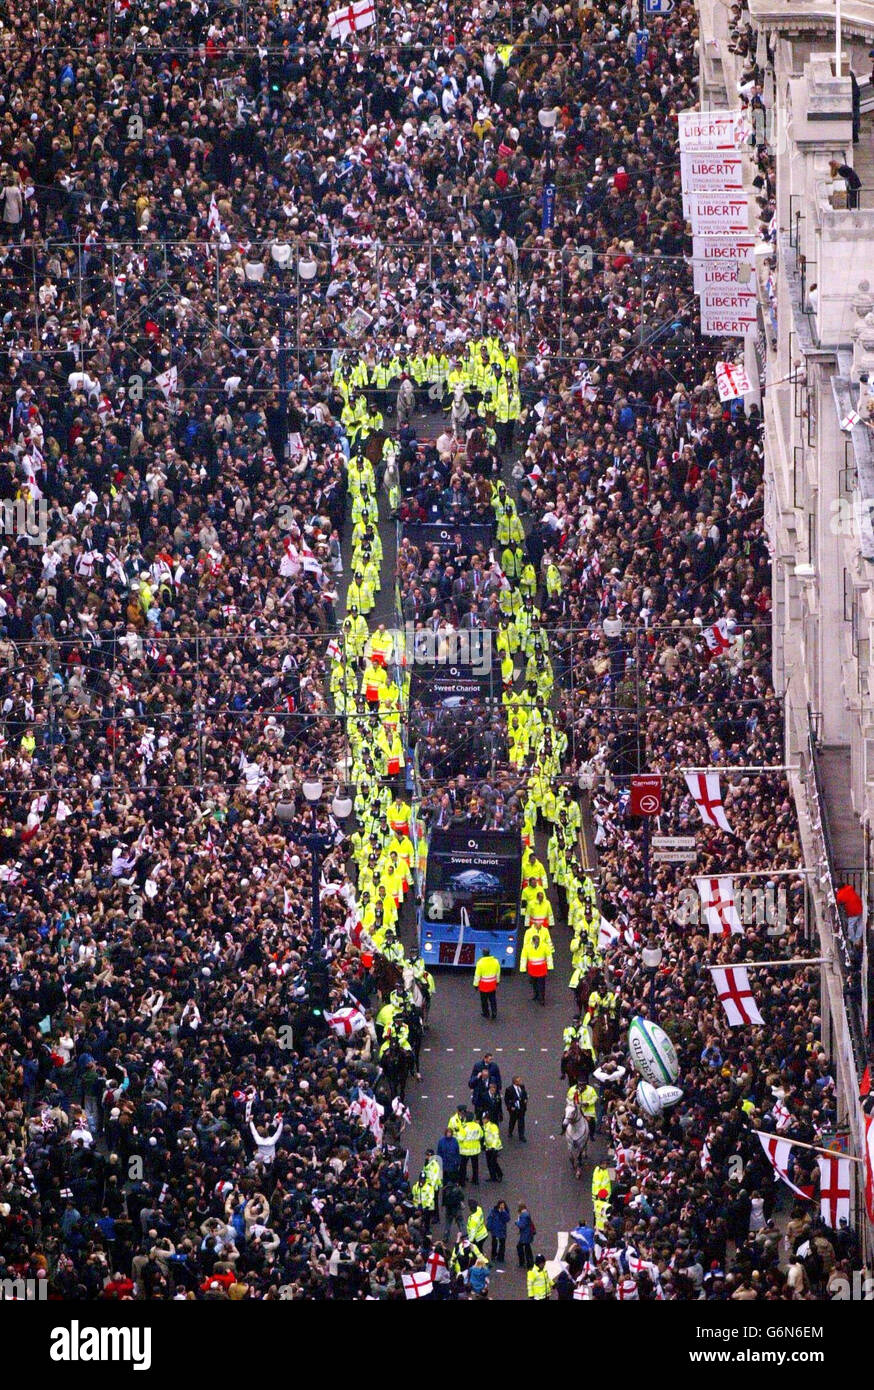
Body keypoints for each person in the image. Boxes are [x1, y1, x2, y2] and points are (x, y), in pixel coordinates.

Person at [519, 924, 554, 1005]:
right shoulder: (527, 947)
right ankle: (536, 995)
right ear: (533, 941)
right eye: (536, 941)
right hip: (532, 969)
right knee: (534, 983)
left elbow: (549, 956)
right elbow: (523, 958)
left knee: (541, 984)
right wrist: (523, 968)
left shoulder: (544, 946)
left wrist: (550, 966)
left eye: (538, 941)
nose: (537, 943)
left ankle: (542, 998)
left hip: (541, 969)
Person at [472, 946, 501, 1019]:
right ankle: (494, 1012)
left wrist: (475, 985)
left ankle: (486, 1013)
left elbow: (477, 975)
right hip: (492, 984)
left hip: (483, 986)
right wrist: (497, 981)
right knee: (493, 999)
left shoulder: (480, 963)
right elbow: (498, 973)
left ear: (483, 954)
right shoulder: (495, 961)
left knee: (484, 1001)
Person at [458, 1112, 483, 1187]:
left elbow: (460, 1138)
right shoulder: (477, 1126)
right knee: (475, 1165)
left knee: (463, 1166)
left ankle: (462, 1182)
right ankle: (475, 1180)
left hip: (465, 1150)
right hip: (475, 1150)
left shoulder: (464, 1127)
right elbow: (481, 1135)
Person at [486, 1200, 510, 1264]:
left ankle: (501, 1257)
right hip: (495, 1230)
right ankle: (493, 1255)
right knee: (494, 1243)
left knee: (502, 1244)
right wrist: (489, 1227)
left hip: (502, 1230)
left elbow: (507, 1219)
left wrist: (503, 1212)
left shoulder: (505, 1211)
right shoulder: (493, 1211)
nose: (502, 1206)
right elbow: (490, 1218)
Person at [505, 1077, 528, 1141]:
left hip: (521, 1108)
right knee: (512, 1121)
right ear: (515, 1082)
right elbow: (506, 1099)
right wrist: (510, 1107)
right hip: (514, 1109)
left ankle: (521, 1136)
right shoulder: (509, 1089)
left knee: (521, 1123)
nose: (520, 1081)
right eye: (519, 1081)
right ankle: (510, 1131)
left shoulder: (522, 1087)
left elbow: (525, 1094)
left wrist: (525, 1099)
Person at [482, 1114, 504, 1182]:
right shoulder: (484, 1126)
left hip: (494, 1148)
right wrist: (484, 1144)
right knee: (489, 1163)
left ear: (488, 1119)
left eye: (484, 1119)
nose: (483, 1120)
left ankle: (499, 1174)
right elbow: (486, 1137)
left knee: (493, 1162)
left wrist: (494, 1147)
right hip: (488, 1147)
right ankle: (493, 1177)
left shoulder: (492, 1126)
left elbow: (495, 1137)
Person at [516, 1204, 536, 1269]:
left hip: (525, 1235)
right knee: (528, 1248)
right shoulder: (527, 1214)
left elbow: (521, 1225)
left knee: (520, 1247)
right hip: (528, 1234)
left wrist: (516, 1222)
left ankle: (523, 1262)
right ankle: (530, 1263)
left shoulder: (523, 1215)